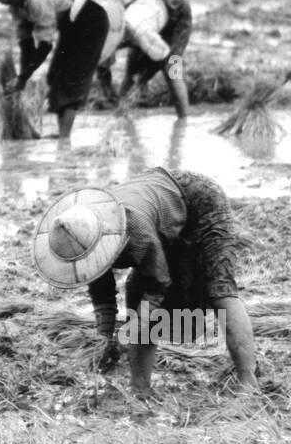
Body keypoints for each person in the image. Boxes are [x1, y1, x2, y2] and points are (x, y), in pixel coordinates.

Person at [32, 167, 258, 394]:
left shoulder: (134, 228)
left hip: (199, 200)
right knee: (136, 293)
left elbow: (159, 281)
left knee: (218, 289)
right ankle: (140, 388)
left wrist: (131, 330)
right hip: (158, 207)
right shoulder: (85, 238)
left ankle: (248, 384)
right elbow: (102, 291)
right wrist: (105, 339)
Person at [0, 0, 125, 140]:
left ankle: (64, 139)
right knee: (54, 75)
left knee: (73, 78)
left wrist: (23, 77)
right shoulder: (17, 6)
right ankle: (62, 134)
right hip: (71, 25)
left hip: (91, 20)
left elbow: (45, 46)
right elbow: (27, 45)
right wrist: (22, 78)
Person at [98, 0, 193, 119]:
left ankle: (183, 120)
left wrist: (142, 80)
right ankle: (120, 117)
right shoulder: (106, 34)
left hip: (177, 13)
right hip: (146, 6)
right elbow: (102, 66)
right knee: (130, 73)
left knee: (172, 70)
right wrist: (108, 90)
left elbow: (163, 54)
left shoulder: (140, 31)